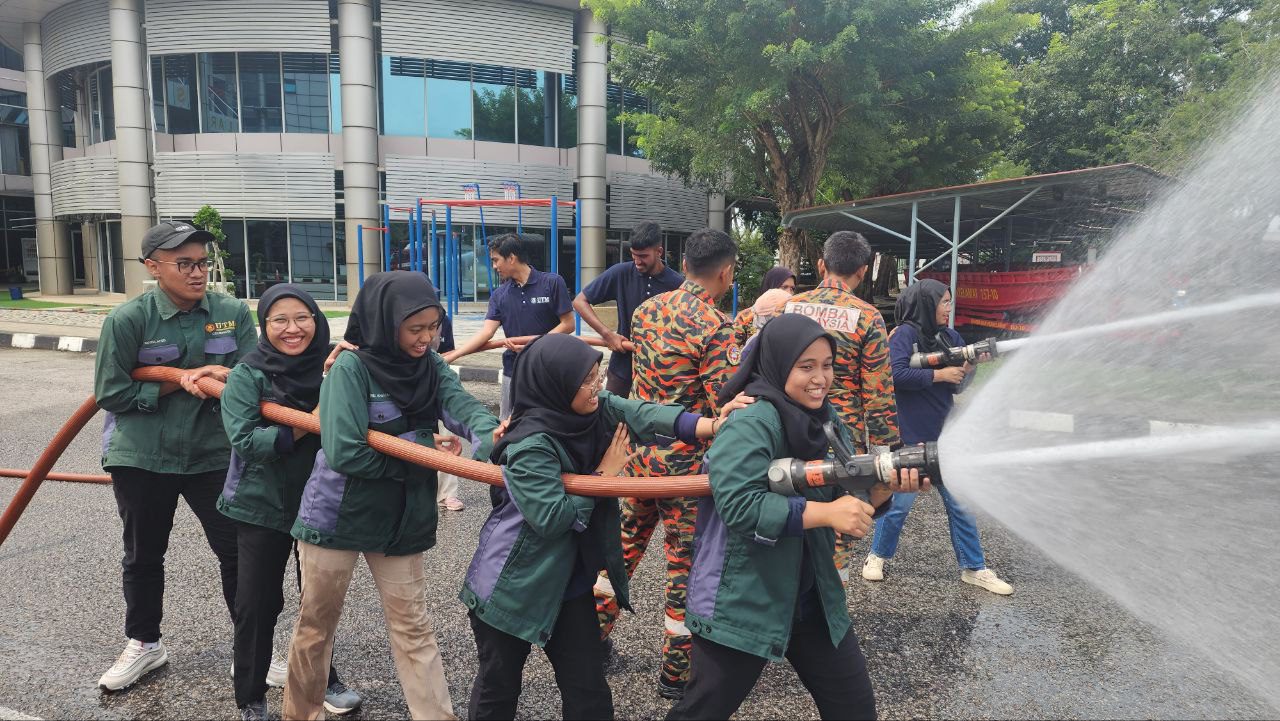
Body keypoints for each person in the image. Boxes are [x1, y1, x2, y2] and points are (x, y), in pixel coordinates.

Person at [461, 333, 744, 720]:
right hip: (512, 585)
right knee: (499, 688)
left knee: (588, 688)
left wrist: (713, 425)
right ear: (556, 385)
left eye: (597, 374)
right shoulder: (530, 446)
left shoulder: (592, 410)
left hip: (568, 583)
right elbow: (552, 519)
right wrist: (602, 477)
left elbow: (643, 414)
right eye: (586, 380)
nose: (597, 385)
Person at [667, 314, 926, 721]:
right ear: (778, 363)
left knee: (854, 709)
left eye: (827, 365)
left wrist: (886, 487)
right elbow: (739, 505)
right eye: (806, 367)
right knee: (703, 711)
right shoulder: (751, 423)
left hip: (812, 596)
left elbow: (846, 495)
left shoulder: (826, 421)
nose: (820, 378)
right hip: (745, 599)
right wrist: (827, 513)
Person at [283, 271, 499, 721]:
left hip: (402, 519)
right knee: (316, 627)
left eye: (433, 327)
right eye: (415, 328)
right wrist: (421, 451)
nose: (427, 338)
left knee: (413, 626)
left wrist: (492, 439)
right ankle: (301, 714)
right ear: (385, 322)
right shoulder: (351, 369)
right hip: (337, 516)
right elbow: (345, 452)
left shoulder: (431, 366)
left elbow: (462, 407)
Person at [93, 221, 256, 692]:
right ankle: (145, 643)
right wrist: (180, 379)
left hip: (215, 453)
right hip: (143, 455)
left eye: (202, 262)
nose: (197, 272)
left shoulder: (231, 312)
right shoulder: (128, 320)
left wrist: (222, 377)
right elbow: (111, 393)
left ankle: (251, 647)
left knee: (239, 553)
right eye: (184, 263)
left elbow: (253, 376)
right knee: (143, 555)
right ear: (153, 267)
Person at [593, 227, 740, 700]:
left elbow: (644, 384)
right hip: (685, 472)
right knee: (684, 570)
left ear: (686, 264)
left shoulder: (647, 310)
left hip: (638, 459)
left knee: (618, 555)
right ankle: (677, 675)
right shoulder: (717, 327)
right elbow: (724, 407)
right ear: (726, 273)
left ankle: (588, 643)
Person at [217, 284, 363, 720]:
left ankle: (323, 680)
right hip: (260, 504)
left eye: (302, 318)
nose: (292, 328)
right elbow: (246, 441)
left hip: (319, 500)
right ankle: (250, 696)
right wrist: (307, 424)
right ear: (264, 325)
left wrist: (342, 374)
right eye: (279, 320)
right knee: (256, 604)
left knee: (318, 602)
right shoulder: (248, 374)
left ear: (317, 320)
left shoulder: (333, 368)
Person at [861, 280, 1014, 595]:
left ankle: (974, 568)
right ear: (926, 304)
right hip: (910, 437)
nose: (949, 308)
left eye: (949, 301)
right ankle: (876, 556)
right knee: (898, 505)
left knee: (961, 505)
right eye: (944, 301)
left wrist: (969, 367)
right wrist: (937, 374)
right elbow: (893, 374)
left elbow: (957, 386)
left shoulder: (951, 338)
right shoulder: (904, 335)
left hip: (945, 439)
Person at [783, 231, 900, 580]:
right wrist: (884, 460)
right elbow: (878, 397)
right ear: (862, 271)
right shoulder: (867, 317)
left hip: (787, 434)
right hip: (842, 447)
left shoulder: (789, 307)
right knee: (836, 537)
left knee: (788, 520)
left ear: (822, 264)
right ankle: (830, 600)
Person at [444, 233, 573, 419]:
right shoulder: (499, 295)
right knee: (508, 424)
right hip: (514, 371)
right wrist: (454, 355)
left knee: (551, 421)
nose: (494, 266)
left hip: (549, 368)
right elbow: (487, 332)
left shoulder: (552, 283)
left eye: (496, 260)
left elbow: (568, 324)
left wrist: (534, 345)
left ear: (511, 258)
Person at [573, 221, 684, 397]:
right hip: (621, 368)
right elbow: (580, 302)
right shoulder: (620, 273)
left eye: (643, 256)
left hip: (662, 373)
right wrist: (607, 334)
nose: (637, 261)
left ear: (659, 252)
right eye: (634, 255)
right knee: (611, 411)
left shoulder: (677, 284)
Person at [732, 266, 796, 347]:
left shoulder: (796, 315)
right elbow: (732, 348)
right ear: (771, 285)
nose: (789, 292)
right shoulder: (746, 317)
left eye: (792, 289)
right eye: (784, 287)